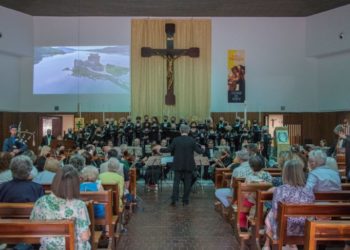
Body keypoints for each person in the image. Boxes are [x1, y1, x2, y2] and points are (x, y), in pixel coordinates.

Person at [30, 165, 91, 250]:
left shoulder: (41, 202)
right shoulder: (79, 205)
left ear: (56, 181)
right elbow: (85, 237)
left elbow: (34, 229)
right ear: (75, 185)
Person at [263, 159, 315, 250]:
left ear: (285, 173)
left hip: (284, 229)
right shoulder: (309, 190)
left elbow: (275, 215)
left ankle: (267, 246)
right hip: (304, 229)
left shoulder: (280, 190)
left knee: (270, 214)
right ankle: (291, 245)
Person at [157, 124, 204, 206]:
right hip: (189, 164)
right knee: (187, 183)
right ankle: (185, 200)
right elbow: (199, 151)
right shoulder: (192, 140)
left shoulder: (176, 140)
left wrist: (160, 149)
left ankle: (174, 200)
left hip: (178, 164)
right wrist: (203, 148)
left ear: (180, 131)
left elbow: (169, 149)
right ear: (188, 131)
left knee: (176, 182)